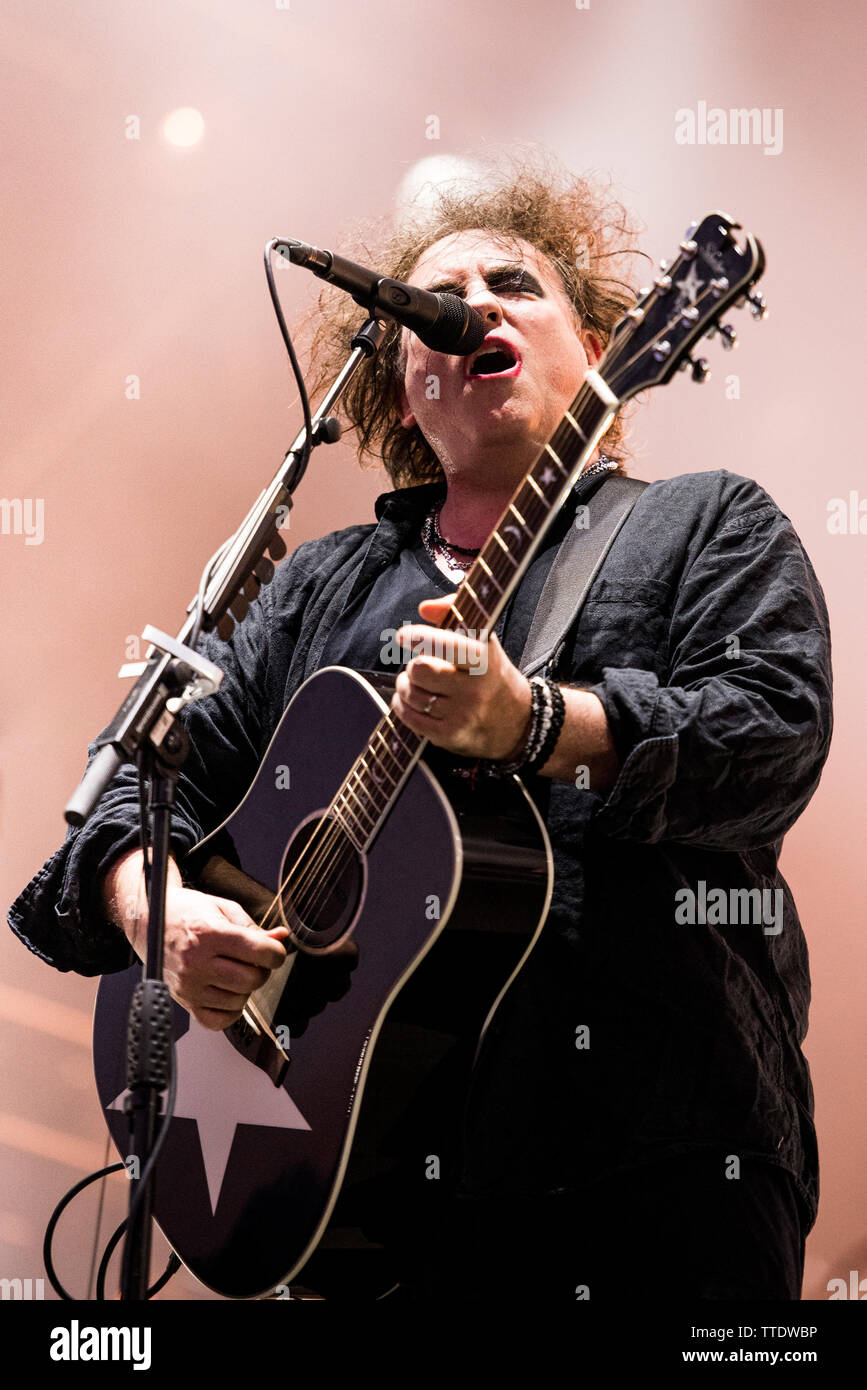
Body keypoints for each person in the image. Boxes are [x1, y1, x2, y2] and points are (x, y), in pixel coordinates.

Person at [8, 156, 832, 1301]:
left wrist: (538, 719)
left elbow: (774, 735)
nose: (476, 306)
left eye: (516, 284)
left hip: (653, 1167)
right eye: (437, 305)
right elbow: (132, 797)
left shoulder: (706, 524)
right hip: (363, 1204)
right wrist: (158, 912)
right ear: (404, 392)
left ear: (601, 349)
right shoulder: (322, 590)